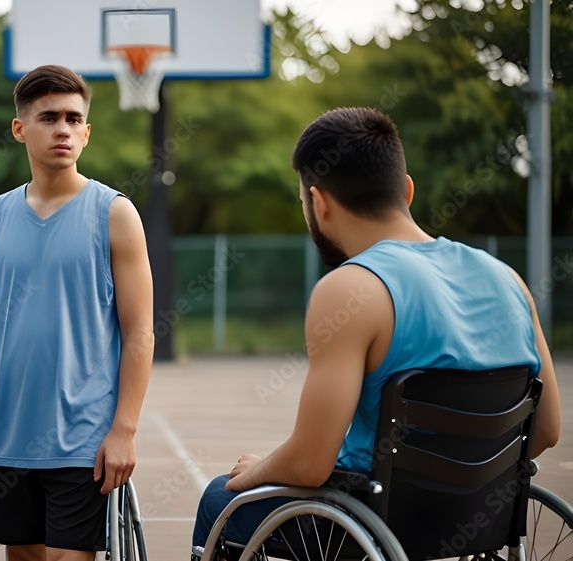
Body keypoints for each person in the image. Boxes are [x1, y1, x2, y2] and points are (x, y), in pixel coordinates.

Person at [192, 106, 563, 550]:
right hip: (482, 515)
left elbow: (310, 463)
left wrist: (259, 469)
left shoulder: (350, 289)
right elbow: (546, 431)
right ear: (406, 190)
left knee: (220, 497)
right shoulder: (509, 281)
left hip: (370, 522)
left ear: (319, 203)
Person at [0, 64, 155, 561]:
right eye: (48, 117)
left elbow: (140, 332)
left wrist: (124, 429)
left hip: (82, 440)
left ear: (86, 132)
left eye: (72, 118)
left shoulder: (115, 214)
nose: (63, 128)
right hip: (3, 436)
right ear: (20, 128)